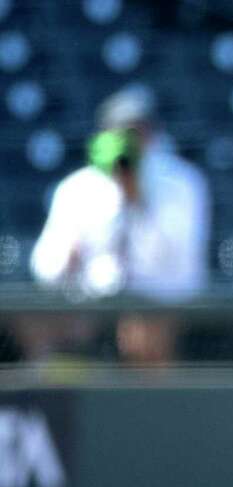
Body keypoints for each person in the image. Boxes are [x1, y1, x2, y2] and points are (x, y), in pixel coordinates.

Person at [22, 85, 210, 365]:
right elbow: (44, 266)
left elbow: (179, 262)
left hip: (158, 301)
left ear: (152, 135)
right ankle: (57, 406)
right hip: (91, 302)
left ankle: (151, 407)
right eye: (119, 131)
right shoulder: (77, 187)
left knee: (142, 330)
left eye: (136, 132)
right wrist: (66, 259)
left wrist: (136, 200)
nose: (128, 141)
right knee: (35, 321)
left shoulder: (182, 183)